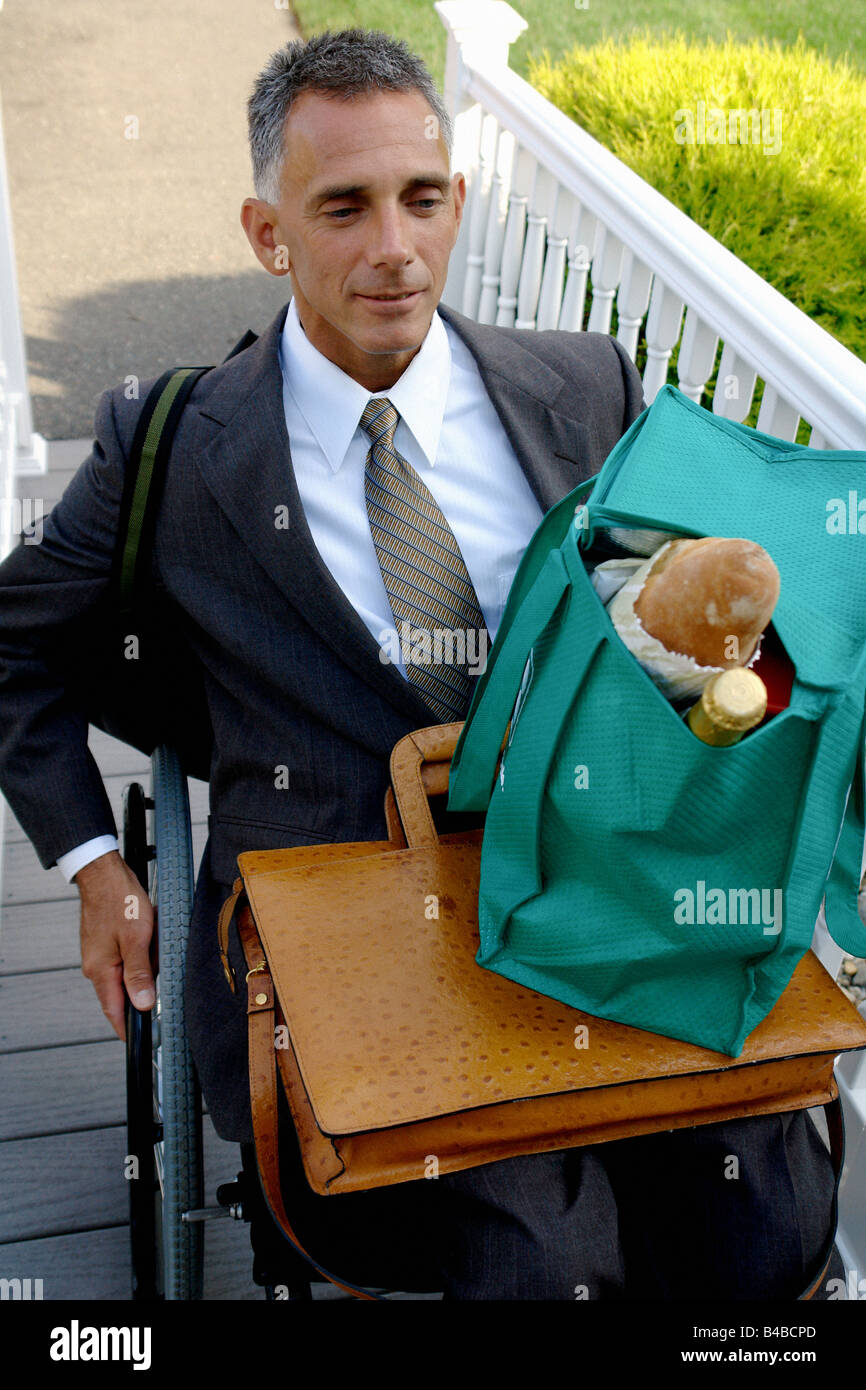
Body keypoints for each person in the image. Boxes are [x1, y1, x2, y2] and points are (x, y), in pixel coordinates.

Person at [0, 28, 840, 1300]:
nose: (393, 246)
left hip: (603, 901)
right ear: (265, 230)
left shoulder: (583, 386)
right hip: (348, 936)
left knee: (761, 1218)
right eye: (342, 206)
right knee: (534, 1259)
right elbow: (17, 649)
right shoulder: (170, 445)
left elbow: (695, 636)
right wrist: (96, 867)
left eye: (423, 197)